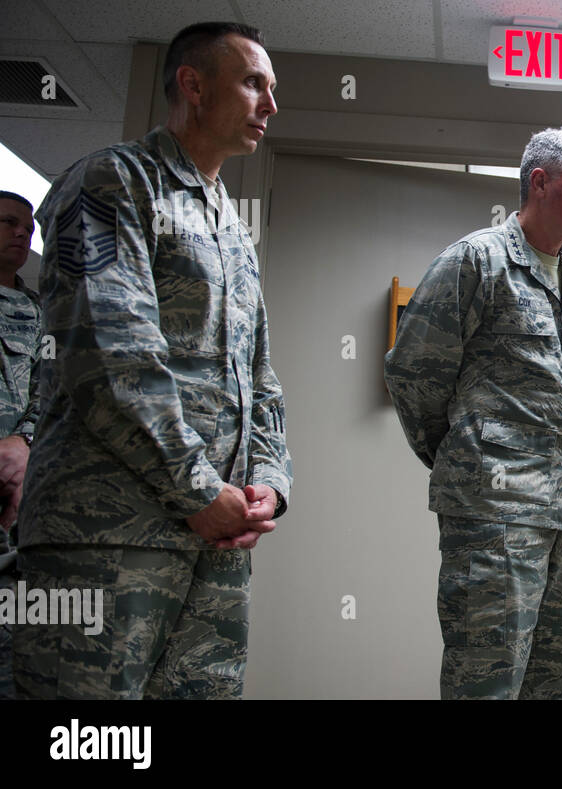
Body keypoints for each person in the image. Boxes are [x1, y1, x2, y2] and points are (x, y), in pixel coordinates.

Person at [15, 22, 292, 699]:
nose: (271, 104)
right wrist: (198, 489)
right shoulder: (111, 183)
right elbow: (111, 358)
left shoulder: (232, 226)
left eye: (272, 89)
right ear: (192, 86)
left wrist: (270, 481)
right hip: (109, 535)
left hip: (215, 547)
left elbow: (258, 377)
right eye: (254, 83)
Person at [385, 127, 562, 700]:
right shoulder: (475, 261)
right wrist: (469, 459)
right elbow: (413, 376)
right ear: (539, 181)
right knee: (486, 679)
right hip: (497, 516)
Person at [0, 190, 40, 700]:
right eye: (8, 222)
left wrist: (23, 440)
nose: (21, 235)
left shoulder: (39, 312)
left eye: (27, 228)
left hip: (16, 500)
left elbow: (51, 388)